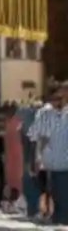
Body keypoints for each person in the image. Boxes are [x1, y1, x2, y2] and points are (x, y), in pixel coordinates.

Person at [29, 84, 68, 223]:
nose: (61, 100)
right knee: (54, 198)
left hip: (65, 163)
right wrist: (34, 161)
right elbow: (36, 138)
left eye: (63, 97)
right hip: (50, 164)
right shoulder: (45, 113)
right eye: (58, 97)